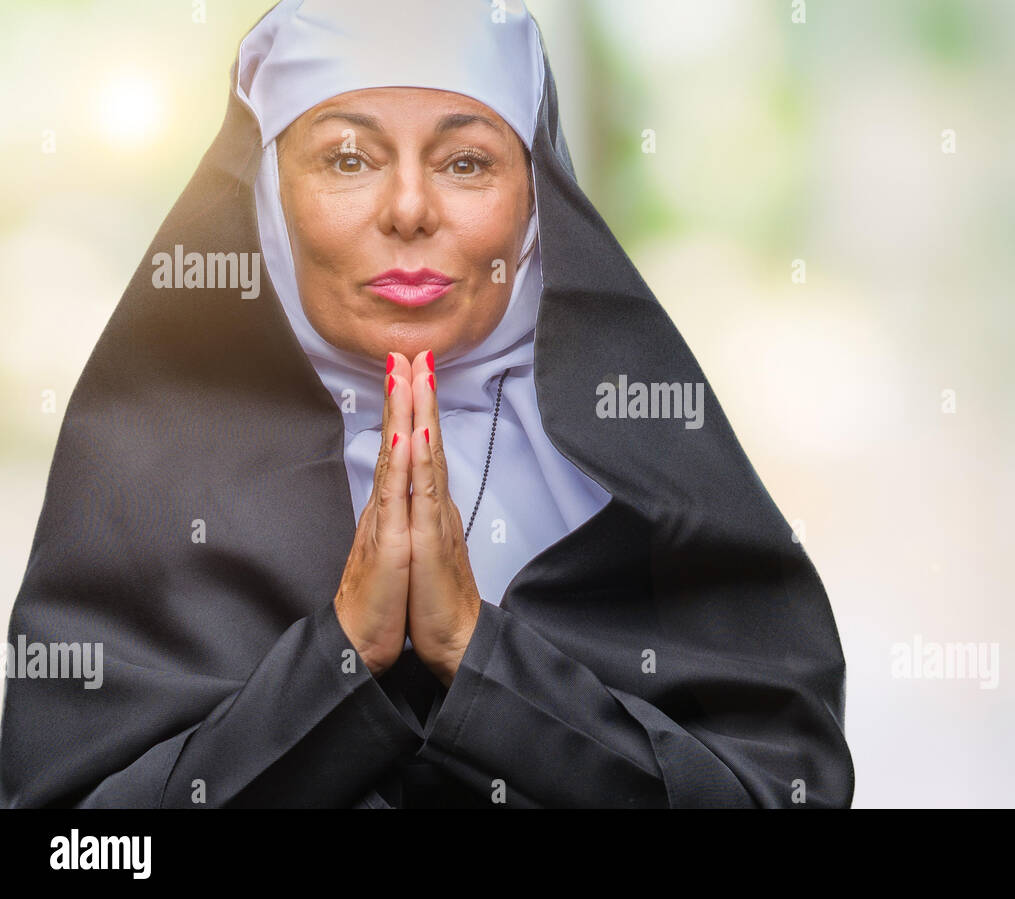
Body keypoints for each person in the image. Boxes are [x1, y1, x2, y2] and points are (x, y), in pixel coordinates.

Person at [0, 0, 853, 808]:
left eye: (466, 162)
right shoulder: (144, 483)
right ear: (267, 198)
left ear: (533, 202)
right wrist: (343, 659)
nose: (409, 209)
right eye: (348, 158)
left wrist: (480, 658)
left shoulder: (642, 486)